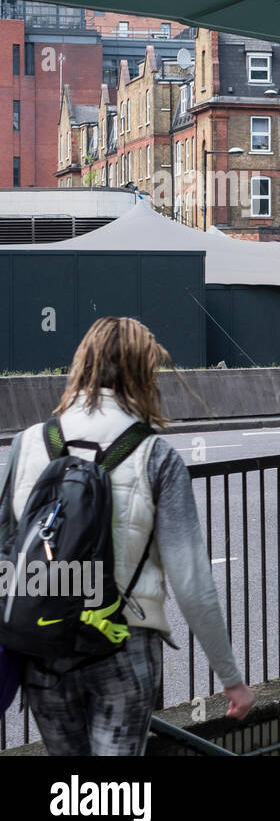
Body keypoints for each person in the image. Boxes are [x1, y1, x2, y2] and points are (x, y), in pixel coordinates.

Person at [0, 317, 254, 755]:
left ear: (82, 364)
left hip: (42, 645)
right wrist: (231, 679)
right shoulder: (156, 455)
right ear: (145, 372)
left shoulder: (27, 443)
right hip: (123, 645)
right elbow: (192, 582)